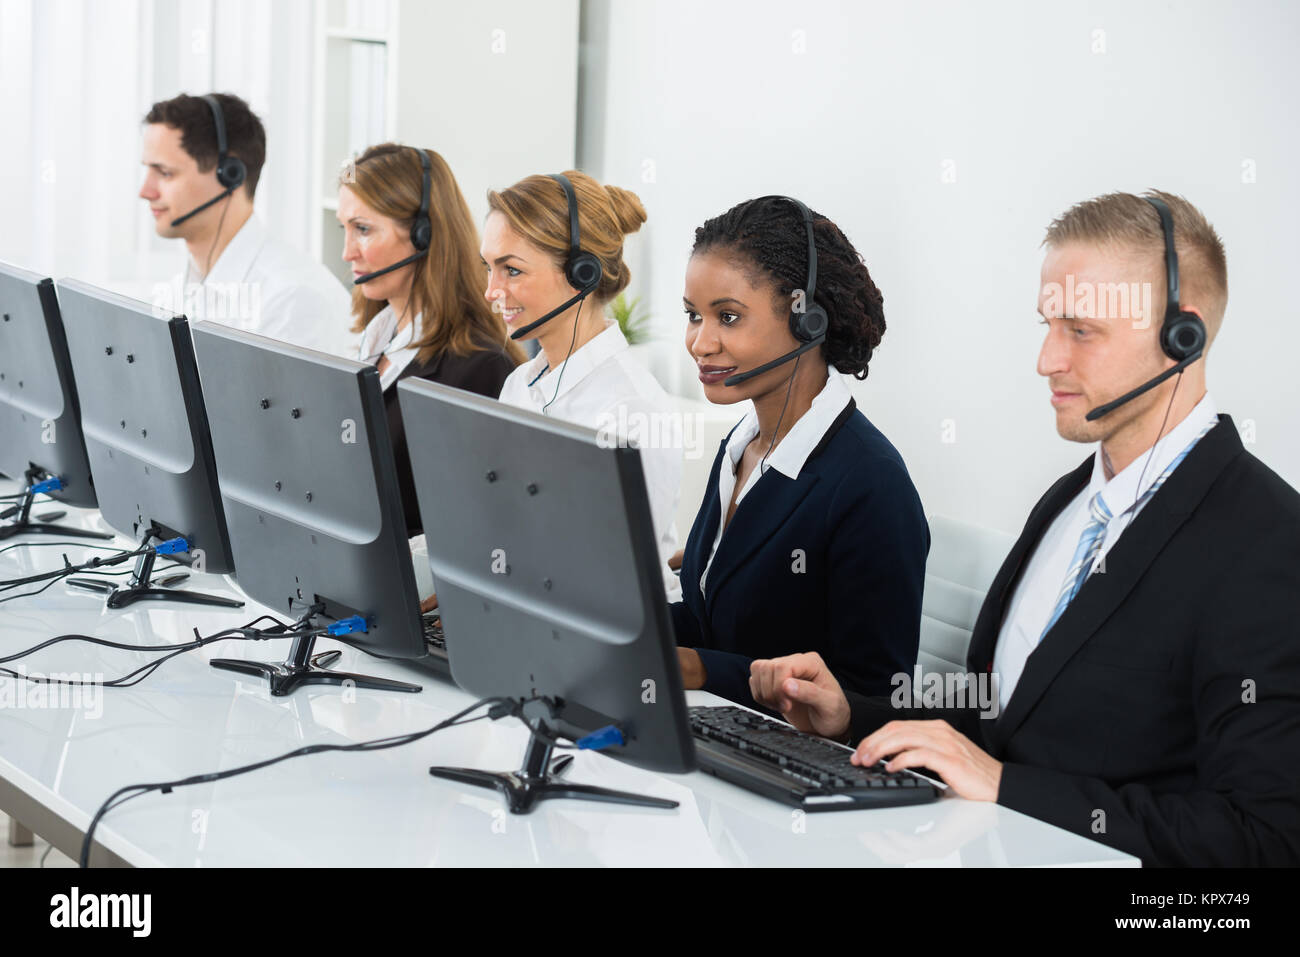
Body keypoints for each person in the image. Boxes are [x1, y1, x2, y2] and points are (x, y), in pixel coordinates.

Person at [749, 190, 1300, 867]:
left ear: (1181, 336)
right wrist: (853, 715)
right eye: (1047, 324)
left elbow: (1262, 838)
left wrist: (1009, 788)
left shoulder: (1270, 545)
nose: (1046, 359)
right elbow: (1005, 724)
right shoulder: (1068, 503)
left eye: (1080, 329)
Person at [673, 196, 928, 709]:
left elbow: (873, 697)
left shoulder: (869, 483)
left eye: (727, 316)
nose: (700, 343)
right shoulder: (741, 447)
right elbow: (711, 623)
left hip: (802, 767)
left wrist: (702, 670)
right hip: (711, 736)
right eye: (693, 315)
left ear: (807, 321)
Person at [485, 170, 683, 600]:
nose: (491, 291)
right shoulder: (521, 384)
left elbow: (612, 578)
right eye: (489, 268)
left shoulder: (633, 411)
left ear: (583, 273)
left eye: (511, 271)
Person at [340, 143, 522, 537]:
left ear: (424, 235)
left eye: (363, 229)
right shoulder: (373, 340)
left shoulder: (480, 369)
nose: (346, 252)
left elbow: (483, 527)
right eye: (345, 229)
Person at [139, 92, 353, 356]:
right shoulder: (186, 283)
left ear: (230, 175)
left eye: (165, 173)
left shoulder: (292, 302)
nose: (145, 191)